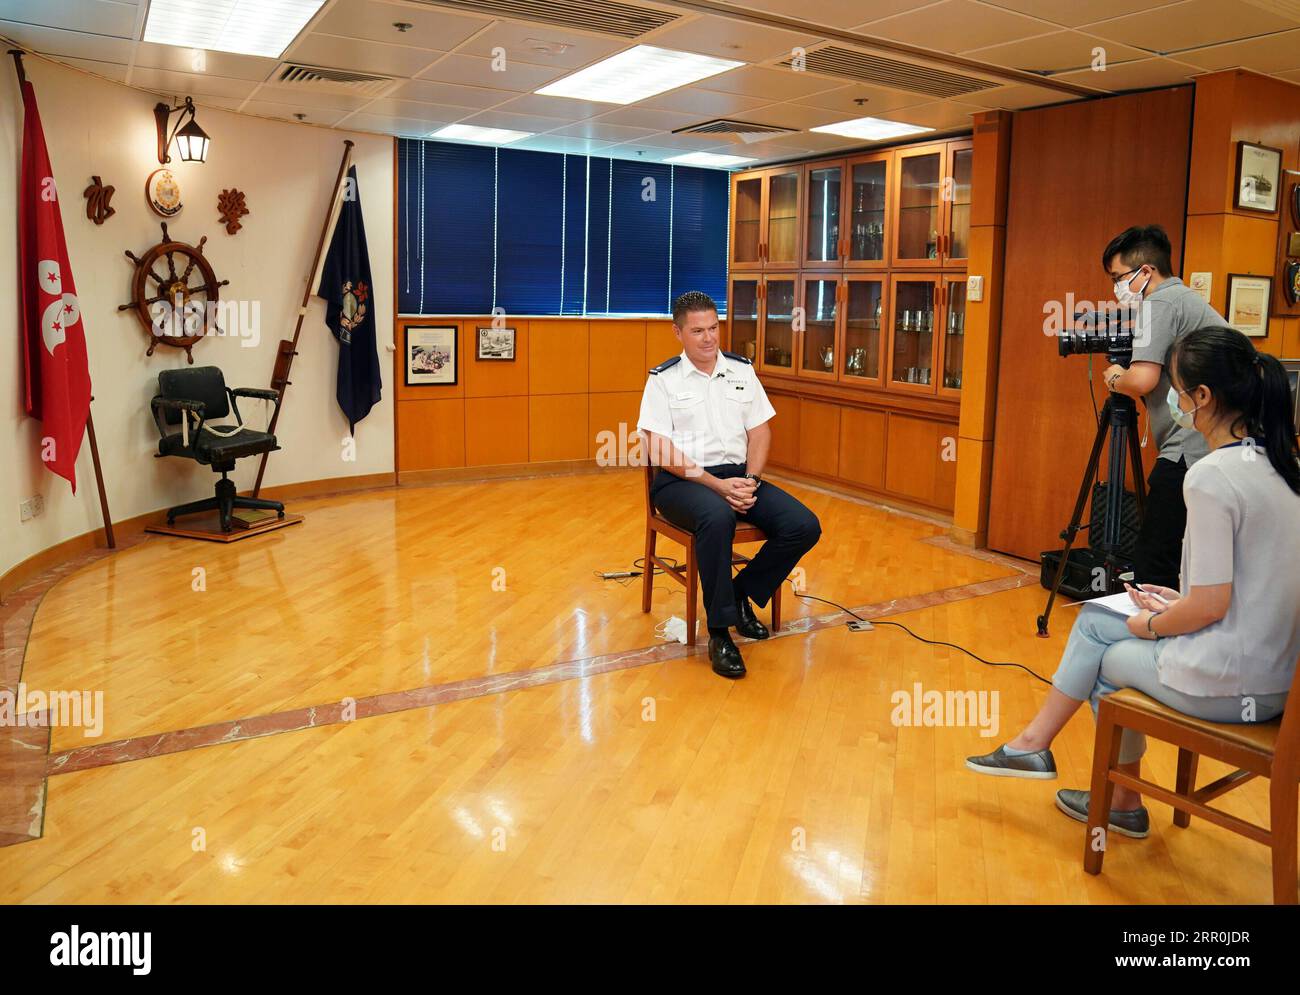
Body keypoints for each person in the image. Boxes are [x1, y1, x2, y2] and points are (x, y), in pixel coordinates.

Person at [966, 325, 1300, 838]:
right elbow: (1248, 586)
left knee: (1104, 654)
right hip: (1277, 678)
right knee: (1099, 615)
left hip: (1230, 682)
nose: (1169, 397)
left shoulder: (1211, 476)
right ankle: (1038, 750)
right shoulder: (1282, 466)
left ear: (1203, 397)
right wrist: (1174, 602)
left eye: (1176, 387)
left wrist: (1152, 623)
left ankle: (1110, 793)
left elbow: (1211, 606)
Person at [637, 291, 821, 679]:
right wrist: (716, 487)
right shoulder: (663, 380)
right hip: (683, 480)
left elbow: (760, 432)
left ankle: (739, 594)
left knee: (803, 525)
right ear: (678, 332)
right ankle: (720, 631)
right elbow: (658, 448)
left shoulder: (742, 371)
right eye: (698, 330)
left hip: (739, 475)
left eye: (714, 328)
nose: (709, 338)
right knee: (717, 518)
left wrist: (750, 482)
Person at [1100, 225, 1231, 590]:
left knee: (1155, 558)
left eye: (1118, 277)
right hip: (1221, 445)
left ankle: (1153, 633)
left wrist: (1114, 376)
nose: (1116, 288)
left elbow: (1142, 380)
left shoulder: (1158, 303)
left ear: (1146, 272)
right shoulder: (1184, 298)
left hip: (1190, 449)